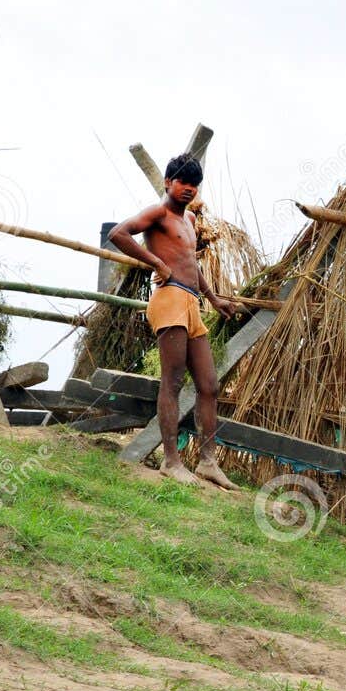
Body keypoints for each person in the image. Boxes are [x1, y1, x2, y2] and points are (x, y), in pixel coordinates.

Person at [108, 152, 242, 488]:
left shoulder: (190, 222)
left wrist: (213, 298)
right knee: (173, 380)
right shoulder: (159, 212)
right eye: (183, 181)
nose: (188, 189)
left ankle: (208, 462)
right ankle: (171, 461)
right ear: (169, 182)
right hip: (168, 299)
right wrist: (157, 263)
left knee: (209, 385)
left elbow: (191, 263)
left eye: (194, 184)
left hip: (192, 303)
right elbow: (119, 234)